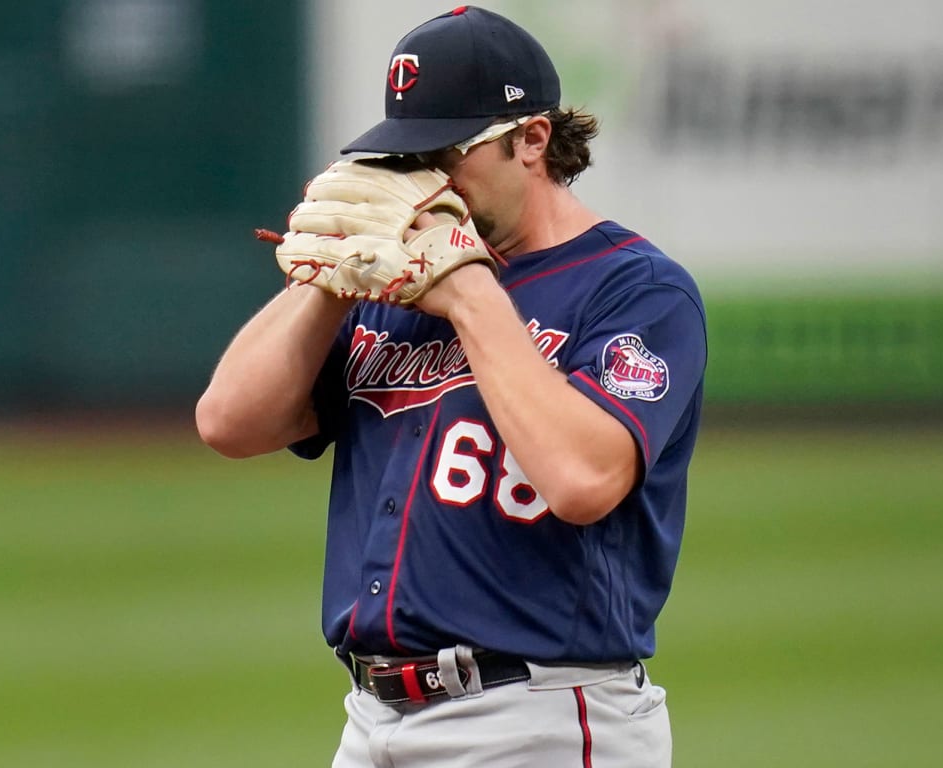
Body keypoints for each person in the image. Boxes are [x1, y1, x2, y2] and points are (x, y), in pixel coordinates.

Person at [197, 6, 705, 766]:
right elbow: (230, 423)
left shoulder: (636, 290)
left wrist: (468, 292)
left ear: (532, 139)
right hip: (371, 719)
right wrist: (332, 277)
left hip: (538, 716)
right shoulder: (393, 283)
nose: (423, 180)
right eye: (406, 156)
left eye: (446, 152)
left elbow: (583, 478)